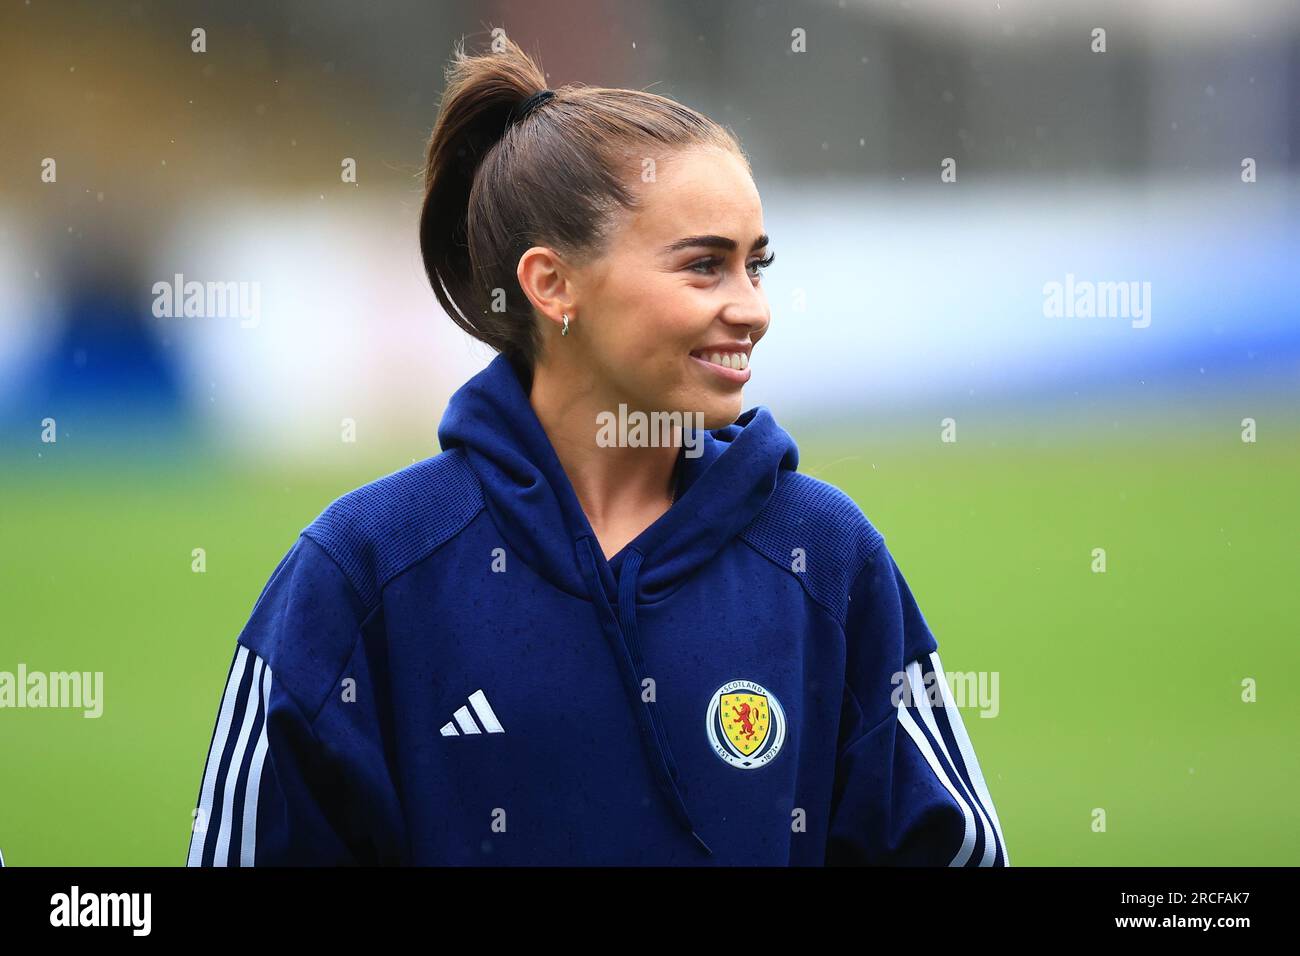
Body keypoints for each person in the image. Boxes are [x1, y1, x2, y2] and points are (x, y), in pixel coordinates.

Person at [185, 34, 1008, 867]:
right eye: (704, 267)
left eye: (756, 265)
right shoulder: (364, 567)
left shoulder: (825, 555)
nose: (753, 308)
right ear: (552, 284)